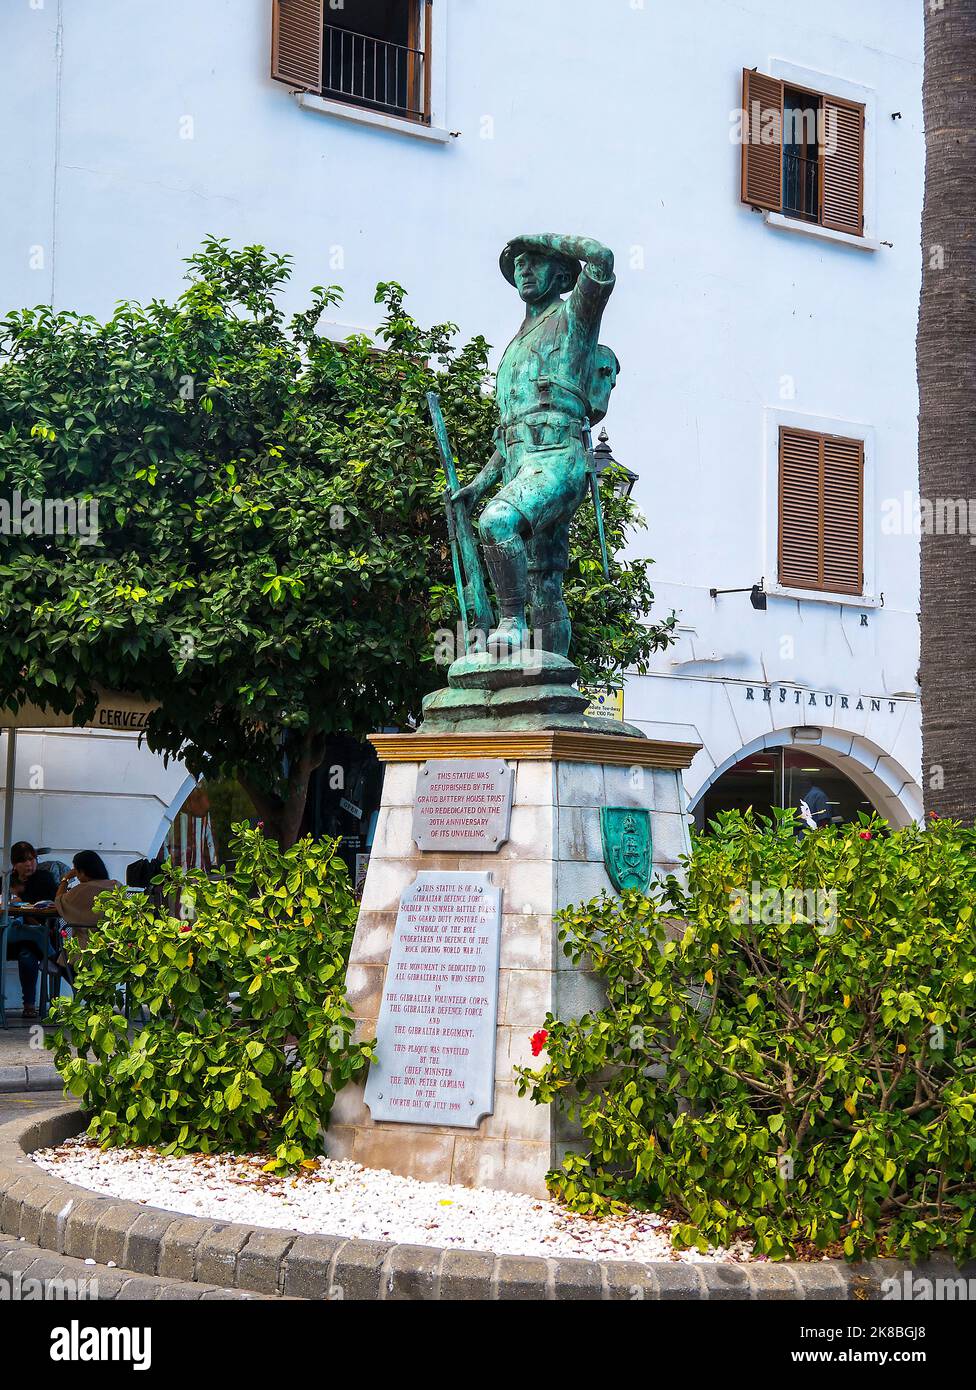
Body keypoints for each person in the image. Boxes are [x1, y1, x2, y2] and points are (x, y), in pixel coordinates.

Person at [453, 232, 617, 657]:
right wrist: (479, 483)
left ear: (561, 272)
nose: (524, 269)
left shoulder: (574, 318)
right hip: (519, 461)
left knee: (496, 523)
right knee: (545, 580)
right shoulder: (514, 347)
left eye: (535, 262)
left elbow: (601, 258)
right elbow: (509, 431)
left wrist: (544, 239)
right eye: (519, 263)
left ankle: (510, 621)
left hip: (558, 457)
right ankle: (553, 676)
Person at [4, 842, 58, 1019]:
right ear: (14, 864)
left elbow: (54, 908)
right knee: (32, 939)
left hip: (33, 938)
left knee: (27, 954)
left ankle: (29, 1004)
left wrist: (23, 907)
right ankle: (52, 958)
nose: (29, 864)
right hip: (9, 936)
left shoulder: (45, 878)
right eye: (23, 861)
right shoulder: (5, 881)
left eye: (32, 859)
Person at [54, 851, 120, 949]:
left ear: (82, 871)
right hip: (114, 946)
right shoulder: (116, 885)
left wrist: (65, 879)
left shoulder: (80, 890)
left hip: (84, 949)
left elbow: (59, 900)